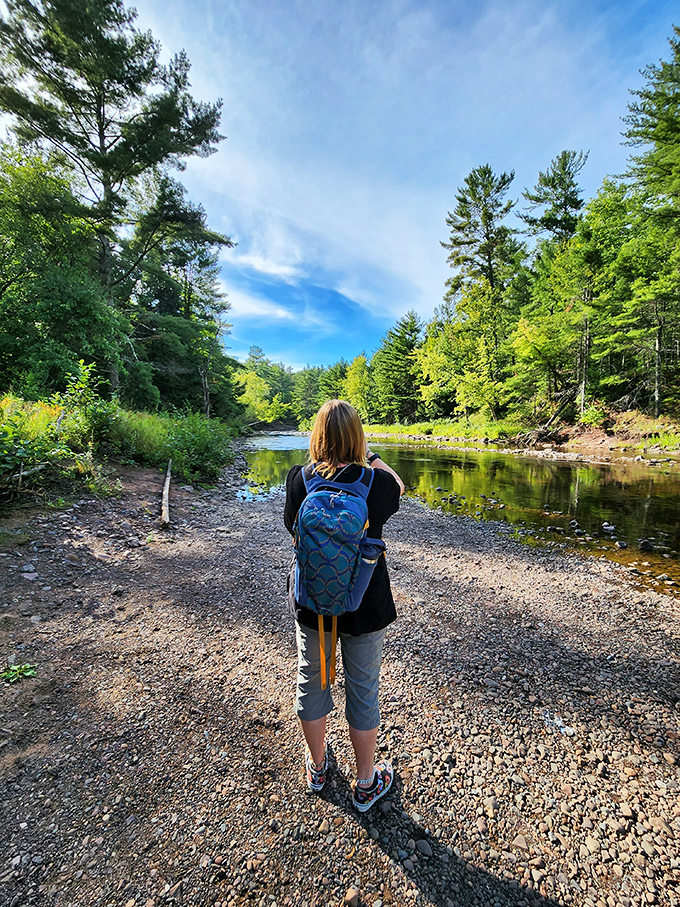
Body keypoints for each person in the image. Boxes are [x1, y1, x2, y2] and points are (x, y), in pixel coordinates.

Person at [284, 399, 404, 812]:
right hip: (364, 604)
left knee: (311, 681)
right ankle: (366, 783)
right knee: (363, 689)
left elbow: (292, 530)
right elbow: (400, 485)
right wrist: (369, 455)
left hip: (314, 600)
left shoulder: (299, 480)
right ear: (358, 436)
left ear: (316, 436)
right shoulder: (376, 483)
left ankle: (318, 767)